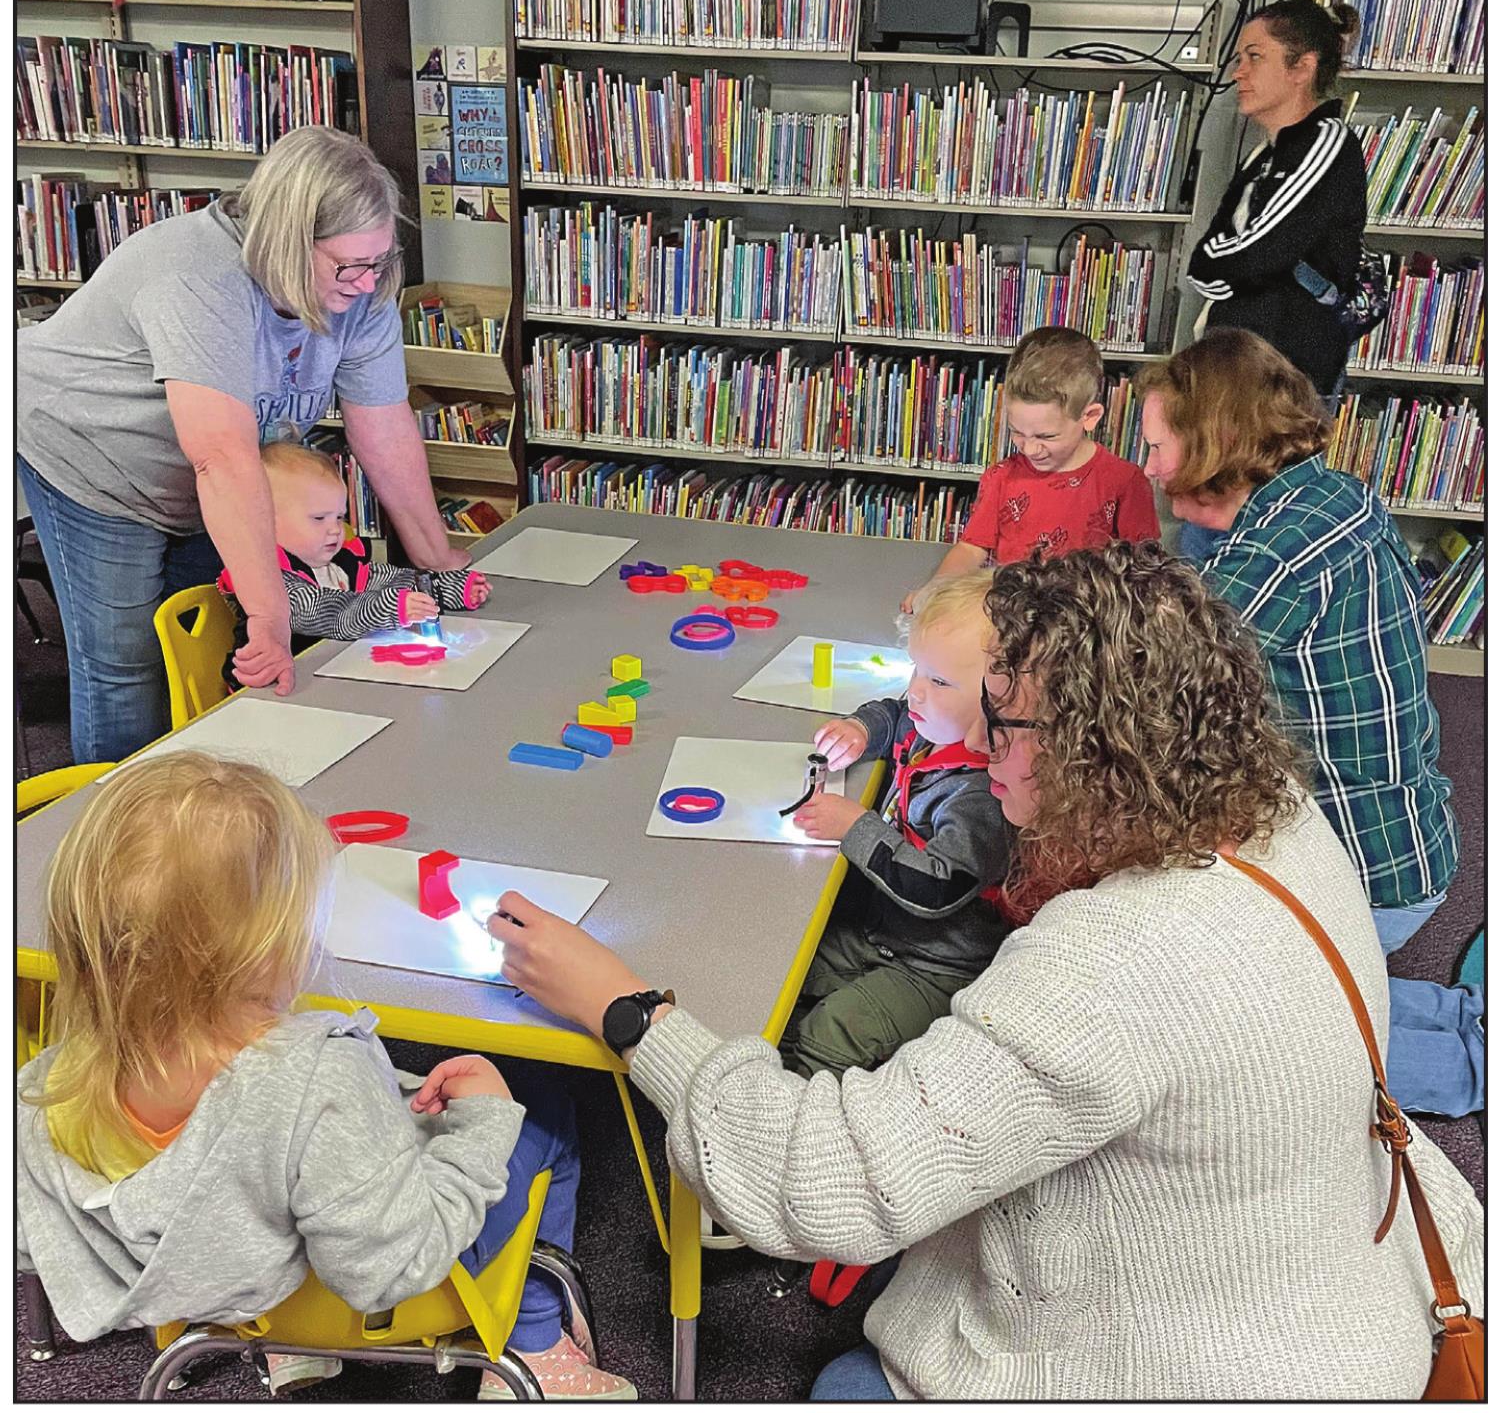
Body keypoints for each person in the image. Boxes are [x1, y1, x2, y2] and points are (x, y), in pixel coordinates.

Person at [486, 541, 1483, 1399]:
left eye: (1002, 719)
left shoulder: (1114, 958)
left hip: (1210, 1360)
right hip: (1334, 1256)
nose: (970, 740)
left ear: (1096, 748)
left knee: (852, 1376)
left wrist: (628, 1011)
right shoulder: (1273, 805)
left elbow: (822, 1187)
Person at [15, 753, 635, 1401]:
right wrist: (478, 1124)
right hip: (393, 1285)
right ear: (268, 948)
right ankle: (534, 1346)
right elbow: (394, 1265)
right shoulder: (318, 1075)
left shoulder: (48, 1087)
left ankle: (289, 1346)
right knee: (543, 1108)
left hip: (238, 1288)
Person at [17, 125, 470, 765]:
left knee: (212, 645)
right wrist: (272, 610)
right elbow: (222, 459)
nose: (368, 285)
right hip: (93, 457)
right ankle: (118, 842)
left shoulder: (362, 284)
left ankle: (206, 810)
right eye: (350, 266)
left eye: (381, 262)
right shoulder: (196, 278)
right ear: (287, 241)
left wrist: (437, 558)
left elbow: (384, 423)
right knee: (128, 663)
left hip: (214, 474)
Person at [1138, 329, 1475, 1118]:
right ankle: (1458, 1020)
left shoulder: (1279, 555)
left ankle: (1466, 1070)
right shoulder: (1324, 494)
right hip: (1409, 835)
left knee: (1233, 1034)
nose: (1148, 468)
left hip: (1365, 867)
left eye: (1157, 446)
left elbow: (1149, 693)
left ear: (1213, 440)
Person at [786, 571, 1017, 1079]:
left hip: (938, 967)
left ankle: (798, 1130)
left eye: (937, 681)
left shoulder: (983, 793)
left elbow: (935, 887)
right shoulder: (931, 721)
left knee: (828, 1038)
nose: (915, 692)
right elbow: (893, 714)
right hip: (882, 932)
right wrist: (859, 729)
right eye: (916, 670)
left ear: (999, 699)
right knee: (783, 979)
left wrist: (856, 827)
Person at [1186, 0, 1366, 403]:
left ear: (1302, 67)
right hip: (1238, 355)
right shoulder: (1264, 154)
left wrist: (1219, 264)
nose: (1238, 74)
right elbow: (1207, 257)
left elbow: (1261, 249)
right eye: (1238, 59)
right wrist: (1219, 264)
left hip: (1285, 371)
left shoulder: (1327, 141)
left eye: (1254, 57)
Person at [903, 327, 1158, 612]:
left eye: (1046, 437)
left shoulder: (1125, 482)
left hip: (1085, 633)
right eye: (1017, 433)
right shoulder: (1001, 477)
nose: (1029, 449)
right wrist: (936, 590)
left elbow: (1144, 573)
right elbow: (972, 548)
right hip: (1011, 620)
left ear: (1090, 417)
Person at [217, 441, 492, 687]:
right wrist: (391, 608)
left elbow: (391, 579)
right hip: (272, 695)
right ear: (266, 521)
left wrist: (449, 588)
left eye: (338, 517)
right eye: (319, 519)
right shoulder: (267, 578)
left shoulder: (336, 562)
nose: (336, 529)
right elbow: (329, 612)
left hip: (330, 675)